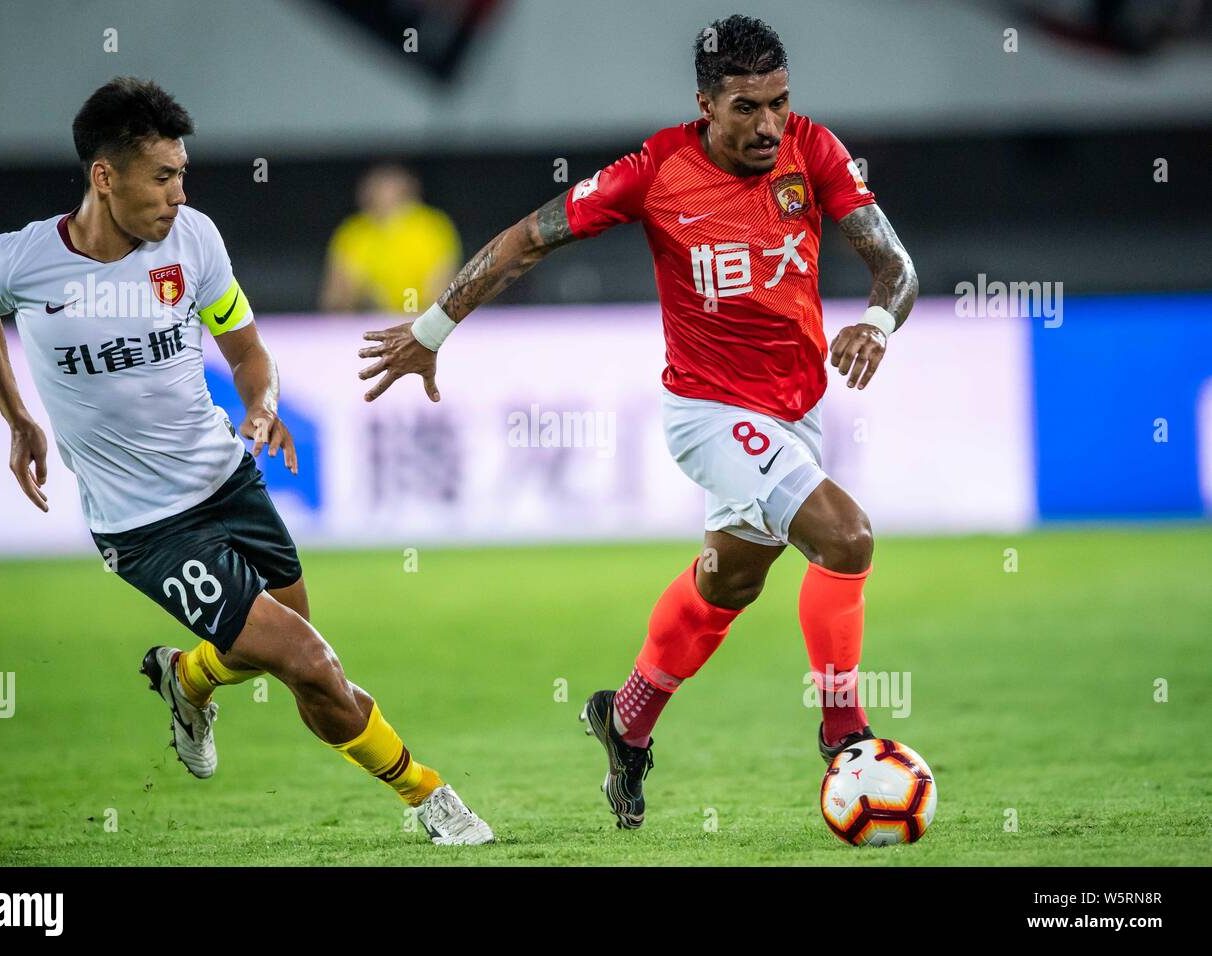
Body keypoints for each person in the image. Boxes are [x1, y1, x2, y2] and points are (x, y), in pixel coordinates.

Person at [357, 16, 918, 830]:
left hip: (797, 411)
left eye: (780, 102)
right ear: (705, 105)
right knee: (848, 537)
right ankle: (847, 740)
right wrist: (431, 329)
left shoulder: (814, 149)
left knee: (730, 583)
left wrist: (879, 321)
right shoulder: (656, 170)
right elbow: (525, 241)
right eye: (746, 107)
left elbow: (894, 265)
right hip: (710, 412)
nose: (769, 125)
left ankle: (624, 722)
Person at [0, 76, 492, 846]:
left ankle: (187, 676)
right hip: (145, 527)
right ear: (104, 177)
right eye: (162, 177)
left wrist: (262, 406)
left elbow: (246, 352)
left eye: (182, 175)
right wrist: (14, 415)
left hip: (226, 480)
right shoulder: (21, 264)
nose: (178, 194)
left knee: (285, 645)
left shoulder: (193, 240)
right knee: (309, 660)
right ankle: (430, 797)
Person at [318, 164, 460, 314]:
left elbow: (444, 291)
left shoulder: (432, 227)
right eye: (373, 188)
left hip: (421, 323)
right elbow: (334, 299)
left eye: (386, 187)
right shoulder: (352, 233)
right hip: (366, 326)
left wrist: (411, 316)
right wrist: (360, 299)